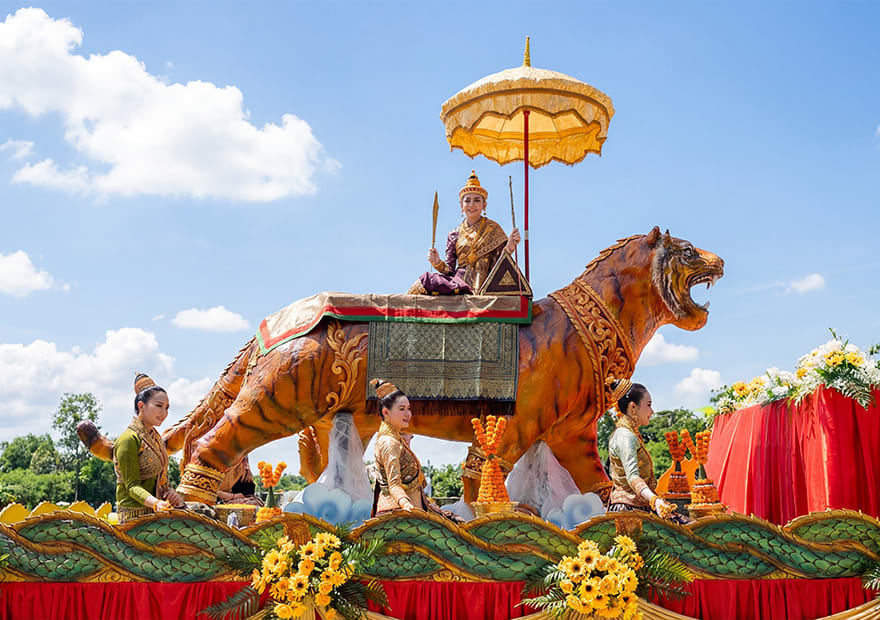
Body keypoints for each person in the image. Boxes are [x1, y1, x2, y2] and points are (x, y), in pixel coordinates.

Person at [407, 170, 521, 295]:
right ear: (461, 205)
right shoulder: (454, 234)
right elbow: (449, 270)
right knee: (425, 280)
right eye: (467, 201)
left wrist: (509, 249)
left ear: (484, 205)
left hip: (484, 282)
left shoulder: (493, 229)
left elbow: (499, 266)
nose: (472, 205)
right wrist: (437, 262)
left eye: (477, 200)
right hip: (459, 281)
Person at [370, 378, 450, 518]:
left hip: (411, 512)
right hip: (399, 514)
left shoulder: (396, 440)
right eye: (401, 409)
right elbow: (393, 484)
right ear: (386, 413)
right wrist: (406, 504)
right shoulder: (389, 443)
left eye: (408, 409)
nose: (408, 414)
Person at [606, 379, 685, 523]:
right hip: (628, 511)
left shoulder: (631, 433)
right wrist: (655, 500)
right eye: (648, 405)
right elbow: (633, 478)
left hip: (639, 508)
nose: (652, 411)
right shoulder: (625, 435)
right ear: (633, 407)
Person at [113, 373, 185, 523]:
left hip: (157, 512)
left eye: (167, 408)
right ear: (141, 406)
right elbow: (132, 486)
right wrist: (156, 503)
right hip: (135, 518)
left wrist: (170, 493)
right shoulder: (128, 439)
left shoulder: (156, 439)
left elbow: (161, 480)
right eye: (159, 406)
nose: (164, 413)